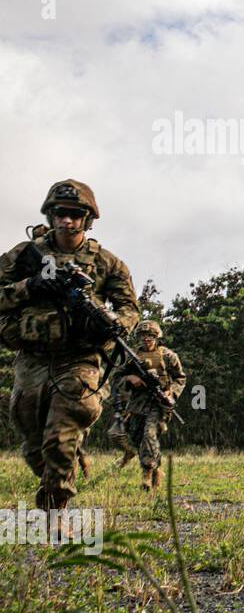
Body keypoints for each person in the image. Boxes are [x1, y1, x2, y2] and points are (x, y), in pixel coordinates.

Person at [0, 180, 140, 510]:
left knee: (59, 434)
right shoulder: (23, 256)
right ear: (50, 216)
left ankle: (56, 508)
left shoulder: (107, 263)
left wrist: (117, 323)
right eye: (60, 214)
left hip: (80, 358)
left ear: (87, 219)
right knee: (35, 445)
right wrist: (30, 287)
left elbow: (130, 308)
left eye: (75, 215)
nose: (67, 221)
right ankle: (68, 462)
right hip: (32, 358)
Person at [121, 320, 186, 491]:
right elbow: (116, 378)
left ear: (157, 337)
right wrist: (129, 379)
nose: (147, 339)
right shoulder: (131, 357)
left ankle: (147, 474)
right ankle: (156, 469)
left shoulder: (168, 356)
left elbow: (180, 378)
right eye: (143, 336)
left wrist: (170, 392)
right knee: (136, 438)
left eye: (151, 336)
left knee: (149, 434)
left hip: (158, 404)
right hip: (137, 403)